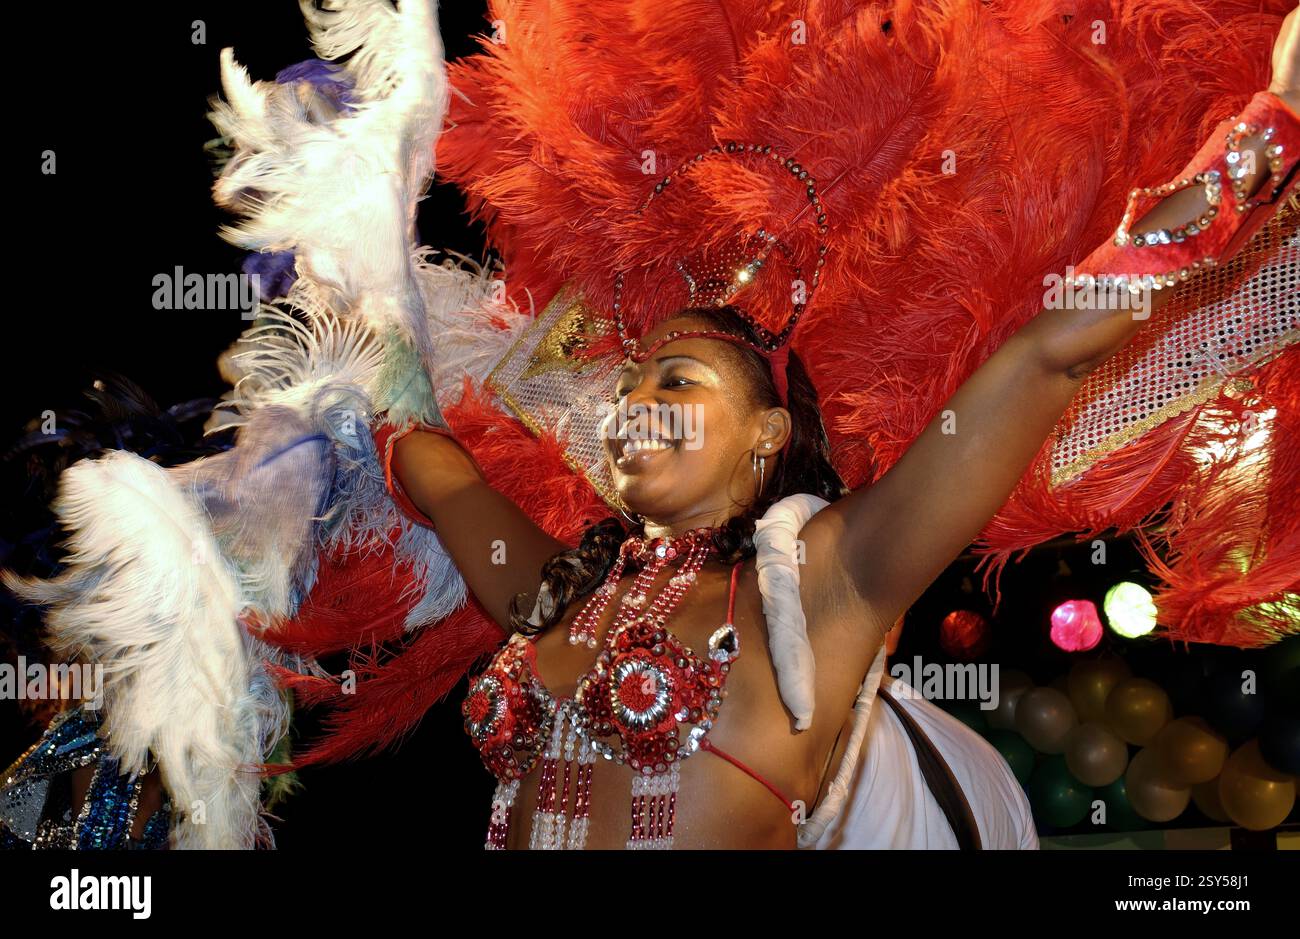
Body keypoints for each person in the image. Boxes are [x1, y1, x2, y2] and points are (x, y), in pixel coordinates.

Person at [3, 0, 1297, 850]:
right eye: (637, 383)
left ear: (766, 441)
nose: (637, 401)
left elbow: (1042, 350)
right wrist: (359, 270)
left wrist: (1265, 131)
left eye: (681, 383)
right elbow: (416, 439)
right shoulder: (562, 602)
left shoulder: (840, 579)